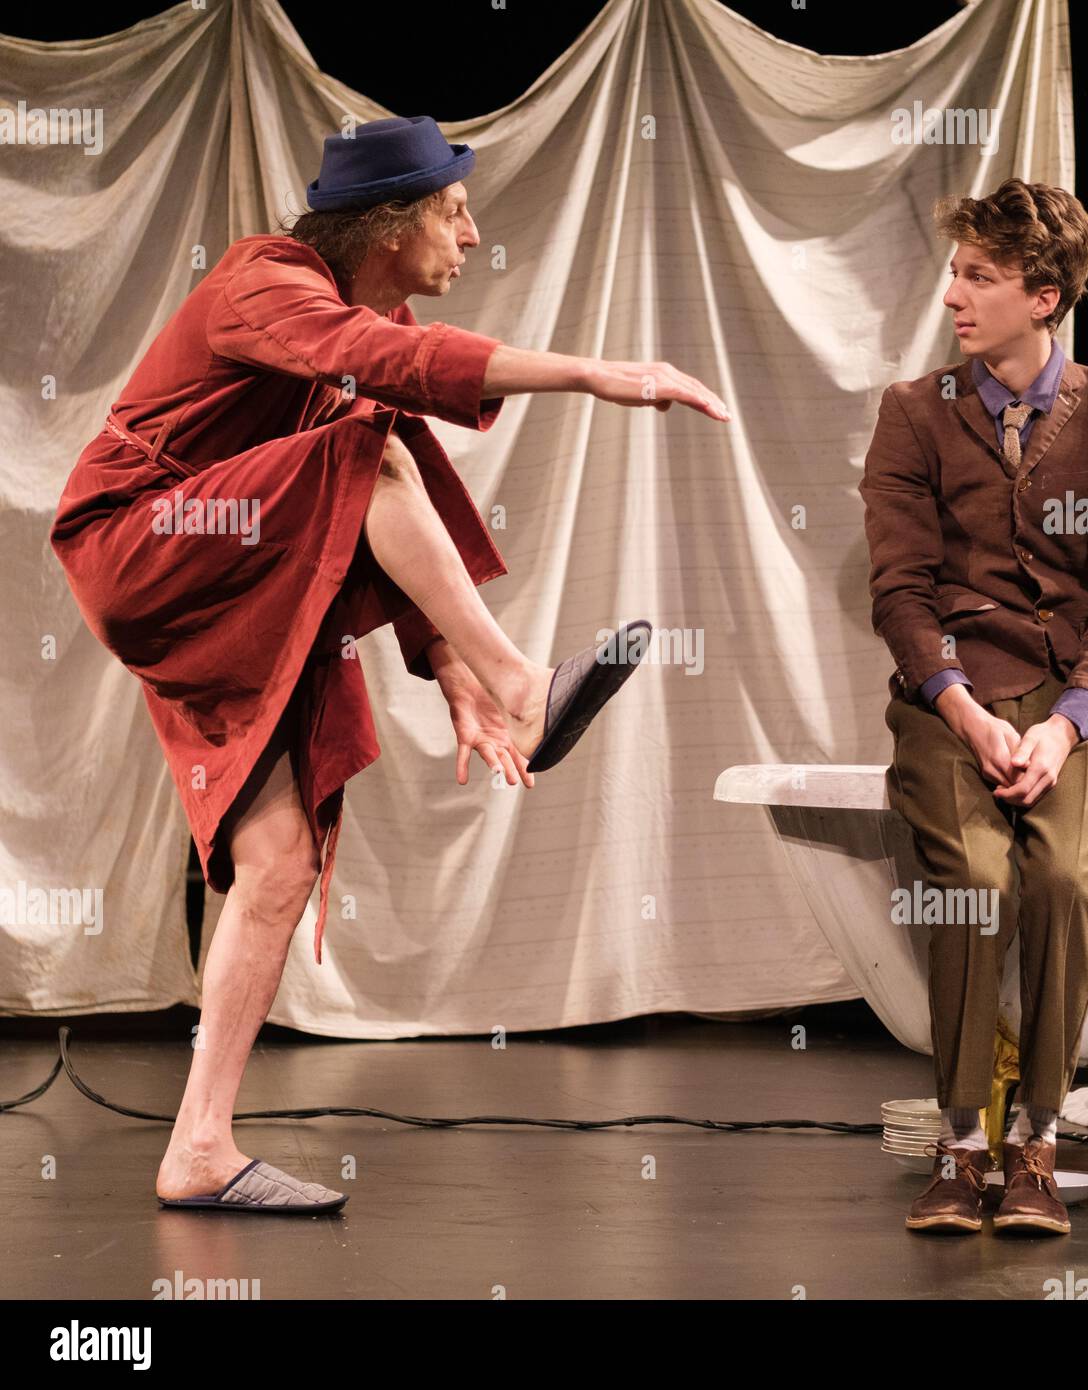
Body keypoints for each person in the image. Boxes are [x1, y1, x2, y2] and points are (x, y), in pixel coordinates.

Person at [48, 115, 728, 1213]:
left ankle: (200, 1147)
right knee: (371, 445)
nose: (472, 233)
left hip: (232, 572)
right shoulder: (264, 279)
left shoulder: (351, 319)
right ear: (391, 222)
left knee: (277, 862)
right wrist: (596, 374)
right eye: (454, 214)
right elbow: (389, 378)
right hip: (141, 542)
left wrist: (443, 666)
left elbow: (386, 472)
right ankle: (527, 688)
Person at [860, 179, 1088, 1235]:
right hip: (953, 692)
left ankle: (1034, 1140)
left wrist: (1067, 720)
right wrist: (961, 705)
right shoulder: (913, 413)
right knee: (977, 880)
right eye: (955, 272)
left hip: (1079, 696)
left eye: (977, 277)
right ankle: (957, 1146)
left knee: (1059, 884)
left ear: (1044, 297)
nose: (953, 294)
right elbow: (900, 592)